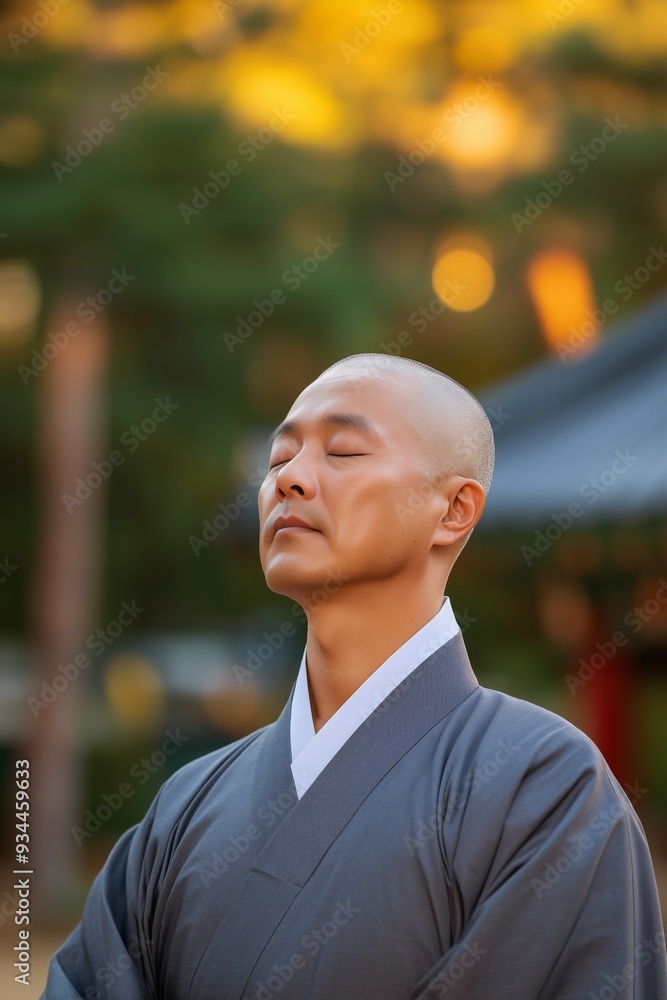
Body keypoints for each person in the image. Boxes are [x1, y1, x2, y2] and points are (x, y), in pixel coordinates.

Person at [42, 353, 666, 1000]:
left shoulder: (540, 786)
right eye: (277, 459)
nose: (290, 480)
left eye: (341, 452)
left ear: (453, 509)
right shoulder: (186, 805)